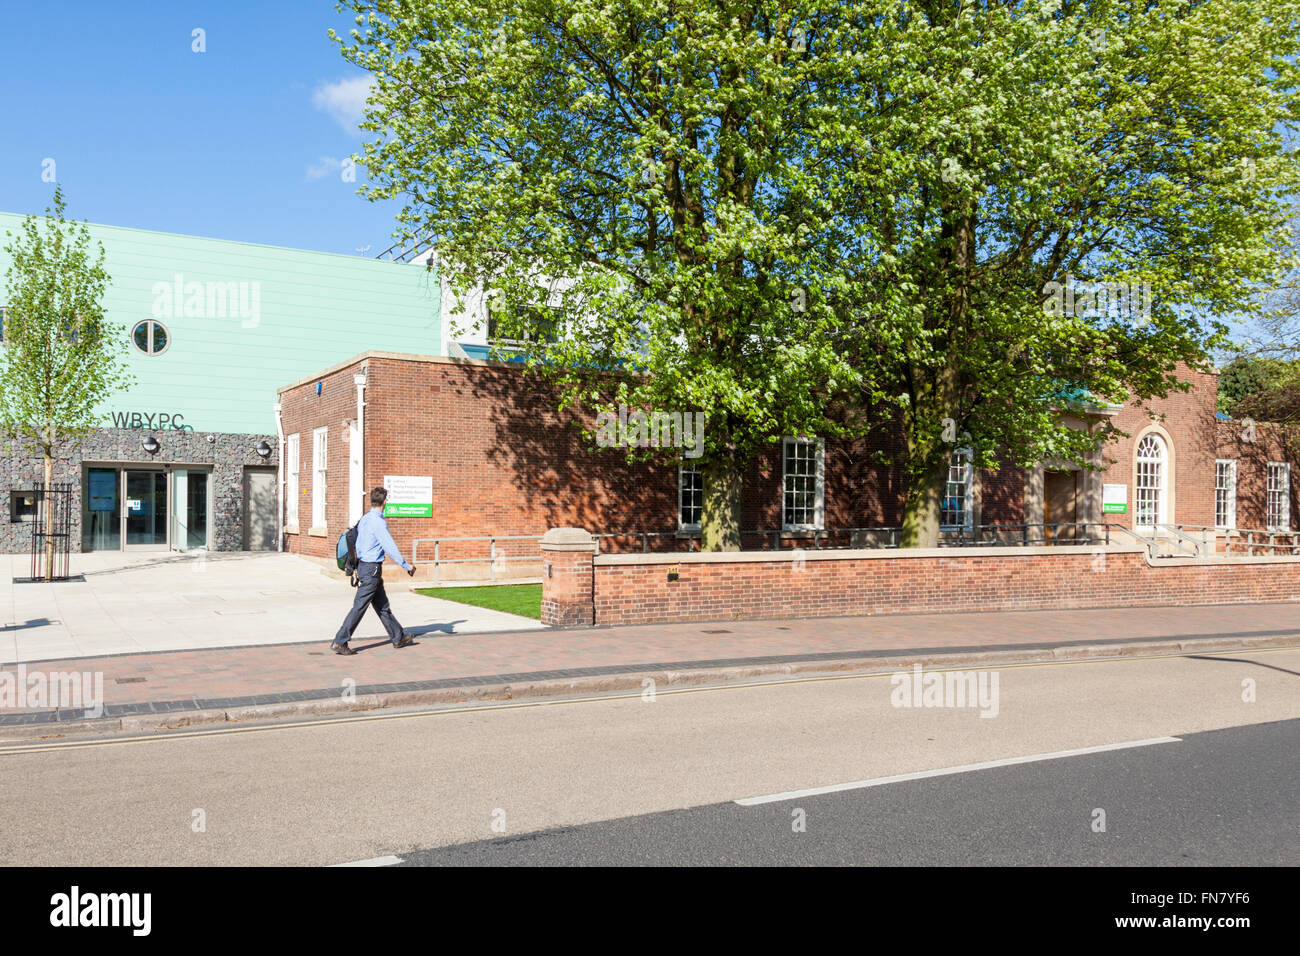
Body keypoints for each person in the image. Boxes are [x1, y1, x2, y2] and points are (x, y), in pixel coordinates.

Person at [331, 487, 417, 655]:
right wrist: (406, 565)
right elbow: (389, 546)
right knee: (359, 606)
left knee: (382, 605)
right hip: (371, 569)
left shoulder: (365, 518)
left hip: (365, 566)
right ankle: (340, 641)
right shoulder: (378, 522)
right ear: (385, 501)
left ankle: (398, 637)